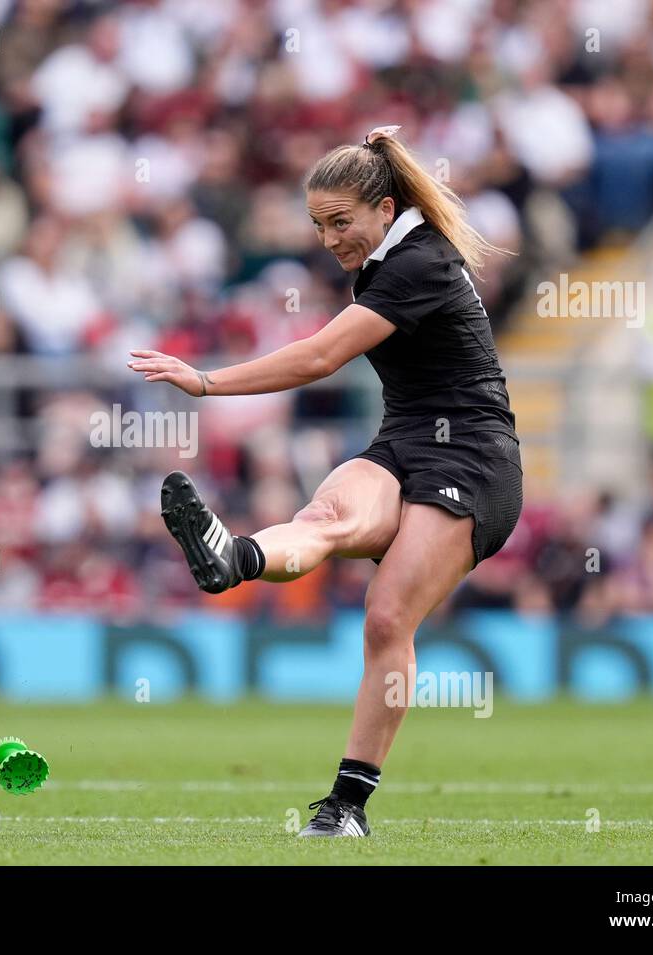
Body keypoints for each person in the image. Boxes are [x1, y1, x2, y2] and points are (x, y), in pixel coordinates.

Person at [127, 126, 523, 838]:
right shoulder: (377, 263)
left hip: (473, 457)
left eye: (340, 221)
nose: (329, 237)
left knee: (385, 615)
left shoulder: (420, 261)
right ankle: (234, 557)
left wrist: (208, 381)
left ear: (384, 207)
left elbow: (318, 358)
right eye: (318, 225)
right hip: (405, 440)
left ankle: (347, 808)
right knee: (327, 517)